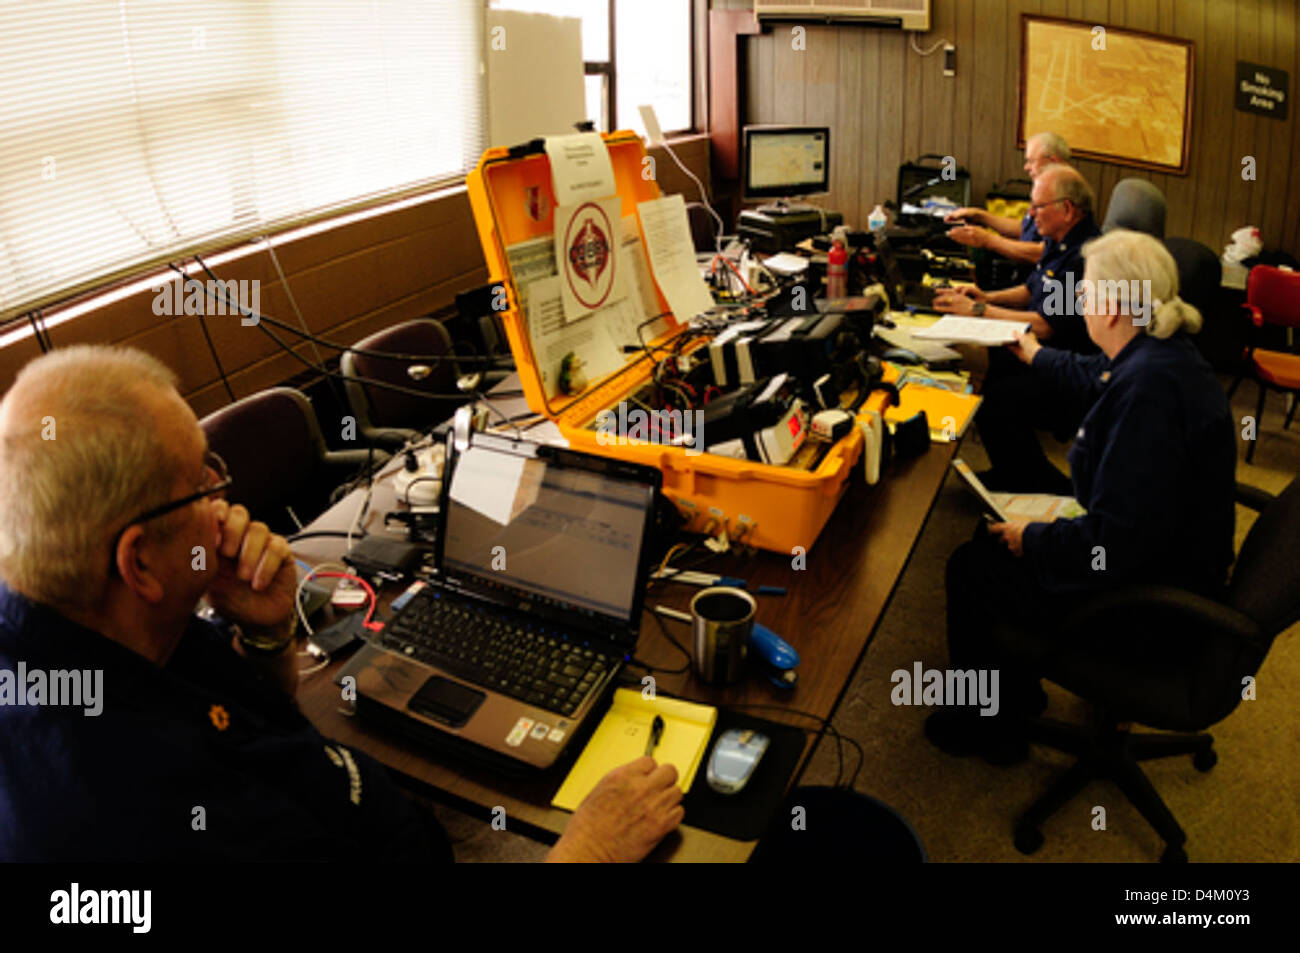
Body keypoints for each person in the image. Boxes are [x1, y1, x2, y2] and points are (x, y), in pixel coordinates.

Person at [0, 345, 683, 862]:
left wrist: (267, 635)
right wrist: (586, 849)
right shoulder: (144, 811)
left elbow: (260, 724)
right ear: (139, 560)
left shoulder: (100, 618)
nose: (223, 498)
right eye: (200, 482)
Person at [927, 230, 1236, 764]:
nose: (1079, 305)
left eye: (1085, 295)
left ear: (1113, 307)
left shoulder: (1148, 394)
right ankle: (1016, 695)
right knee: (998, 532)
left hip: (1149, 602)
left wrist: (1037, 539)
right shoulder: (1158, 352)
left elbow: (1114, 543)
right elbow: (1093, 376)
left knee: (974, 566)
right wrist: (1030, 349)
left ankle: (993, 732)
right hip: (1174, 561)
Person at [934, 164, 1102, 493]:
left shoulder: (1082, 256)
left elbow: (1047, 326)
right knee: (989, 372)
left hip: (1070, 366)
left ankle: (1031, 480)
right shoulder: (1058, 239)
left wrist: (979, 310)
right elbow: (1031, 290)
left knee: (998, 397)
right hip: (1044, 349)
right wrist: (987, 297)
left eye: (1037, 206)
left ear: (1066, 209)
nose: (1030, 215)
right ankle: (1013, 470)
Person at [942, 132, 1072, 265]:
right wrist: (980, 216)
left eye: (1031, 161)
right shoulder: (1049, 189)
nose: (1026, 167)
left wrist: (988, 240)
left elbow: (1043, 253)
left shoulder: (1067, 196)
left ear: (1053, 162)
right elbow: (1026, 229)